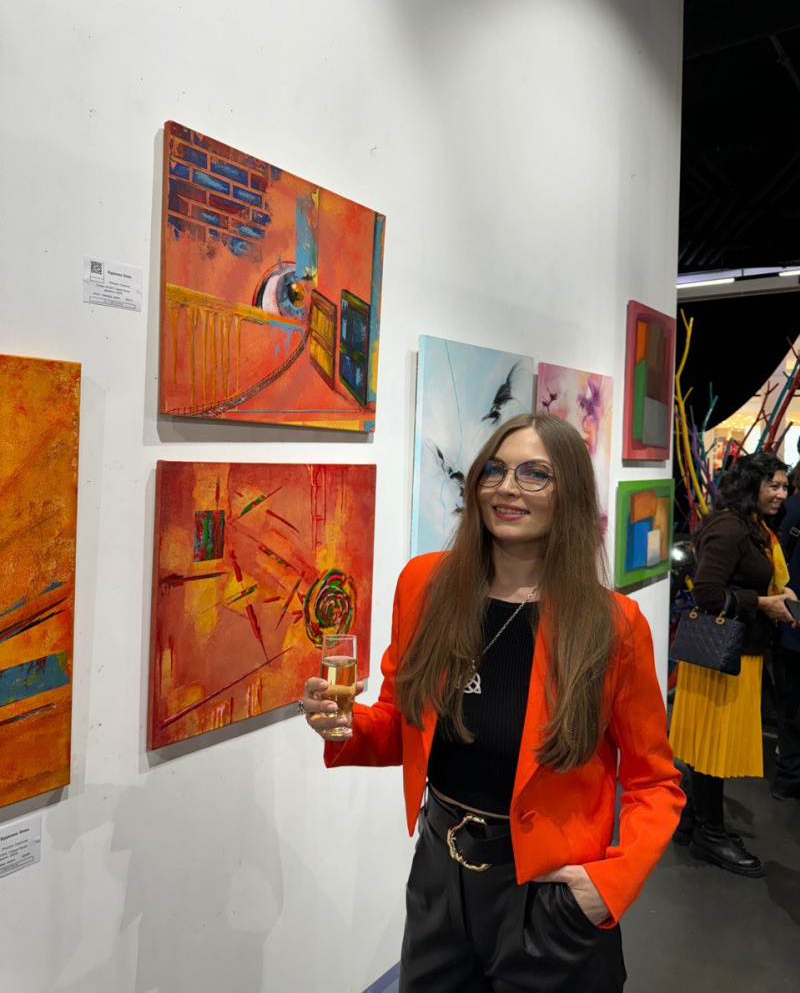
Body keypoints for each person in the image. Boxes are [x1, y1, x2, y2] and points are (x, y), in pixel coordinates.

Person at [301, 413, 683, 993]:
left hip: (548, 896)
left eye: (535, 474)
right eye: (495, 471)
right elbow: (401, 722)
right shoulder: (425, 585)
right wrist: (343, 726)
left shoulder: (612, 626)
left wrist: (607, 885)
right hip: (439, 877)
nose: (507, 488)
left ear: (570, 495)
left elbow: (655, 783)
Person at [670, 451, 795, 875]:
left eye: (785, 486)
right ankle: (710, 834)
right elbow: (706, 593)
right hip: (722, 655)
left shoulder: (752, 526)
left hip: (734, 652)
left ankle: (692, 821)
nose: (783, 493)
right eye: (774, 485)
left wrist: (776, 598)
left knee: (707, 744)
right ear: (750, 486)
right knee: (712, 746)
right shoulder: (730, 528)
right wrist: (762, 603)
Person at [773, 462, 800, 800]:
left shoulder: (788, 508)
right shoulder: (790, 507)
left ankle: (789, 776)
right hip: (790, 620)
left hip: (790, 623)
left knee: (789, 706)